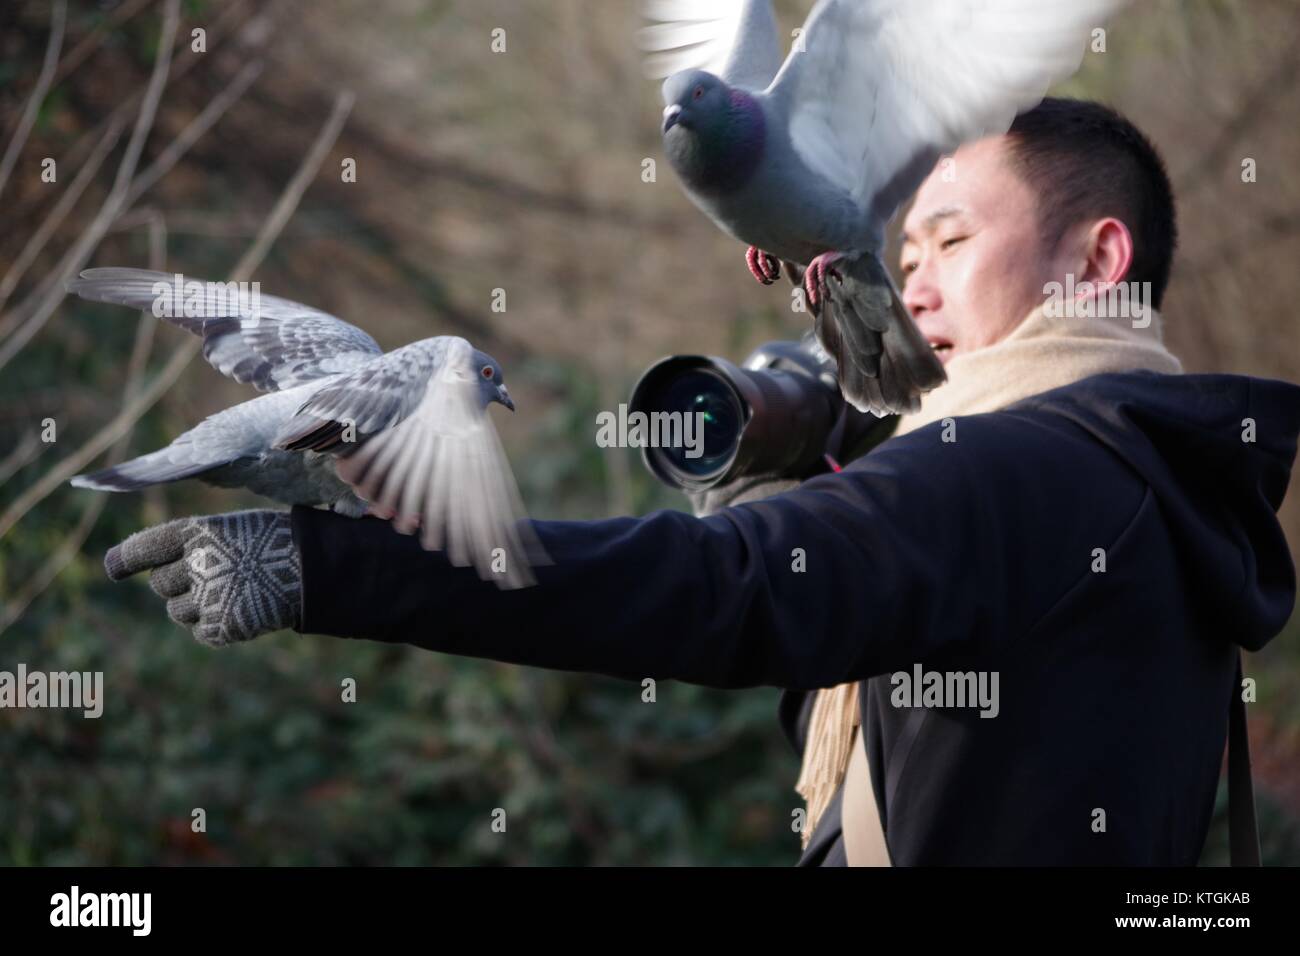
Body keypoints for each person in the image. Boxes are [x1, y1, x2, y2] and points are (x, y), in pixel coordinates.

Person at [102, 98, 1300, 866]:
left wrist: (320, 563)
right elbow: (893, 758)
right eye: (908, 251)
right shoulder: (1154, 472)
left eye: (949, 242)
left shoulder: (1022, 461)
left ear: (1097, 256)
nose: (914, 283)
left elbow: (719, 593)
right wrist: (783, 496)